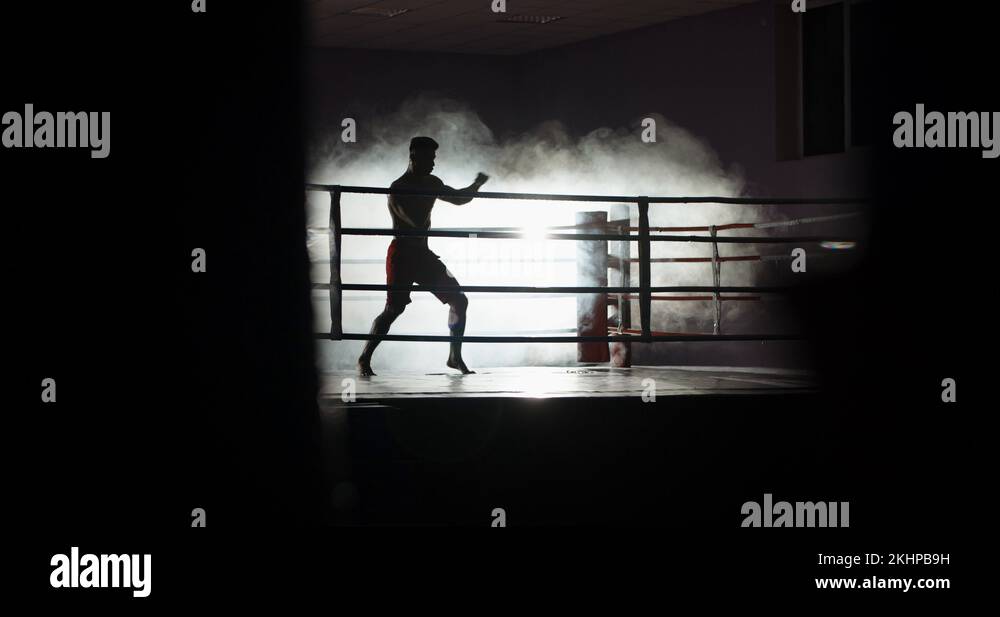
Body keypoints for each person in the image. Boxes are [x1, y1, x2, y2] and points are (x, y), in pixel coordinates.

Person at [357, 136, 490, 376]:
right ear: (413, 157)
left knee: (459, 300)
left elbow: (459, 199)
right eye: (428, 158)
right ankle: (364, 358)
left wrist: (476, 184)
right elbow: (415, 222)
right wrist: (428, 192)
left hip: (423, 254)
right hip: (402, 254)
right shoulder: (398, 188)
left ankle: (454, 357)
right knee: (393, 309)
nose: (433, 163)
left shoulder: (432, 182)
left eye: (434, 158)